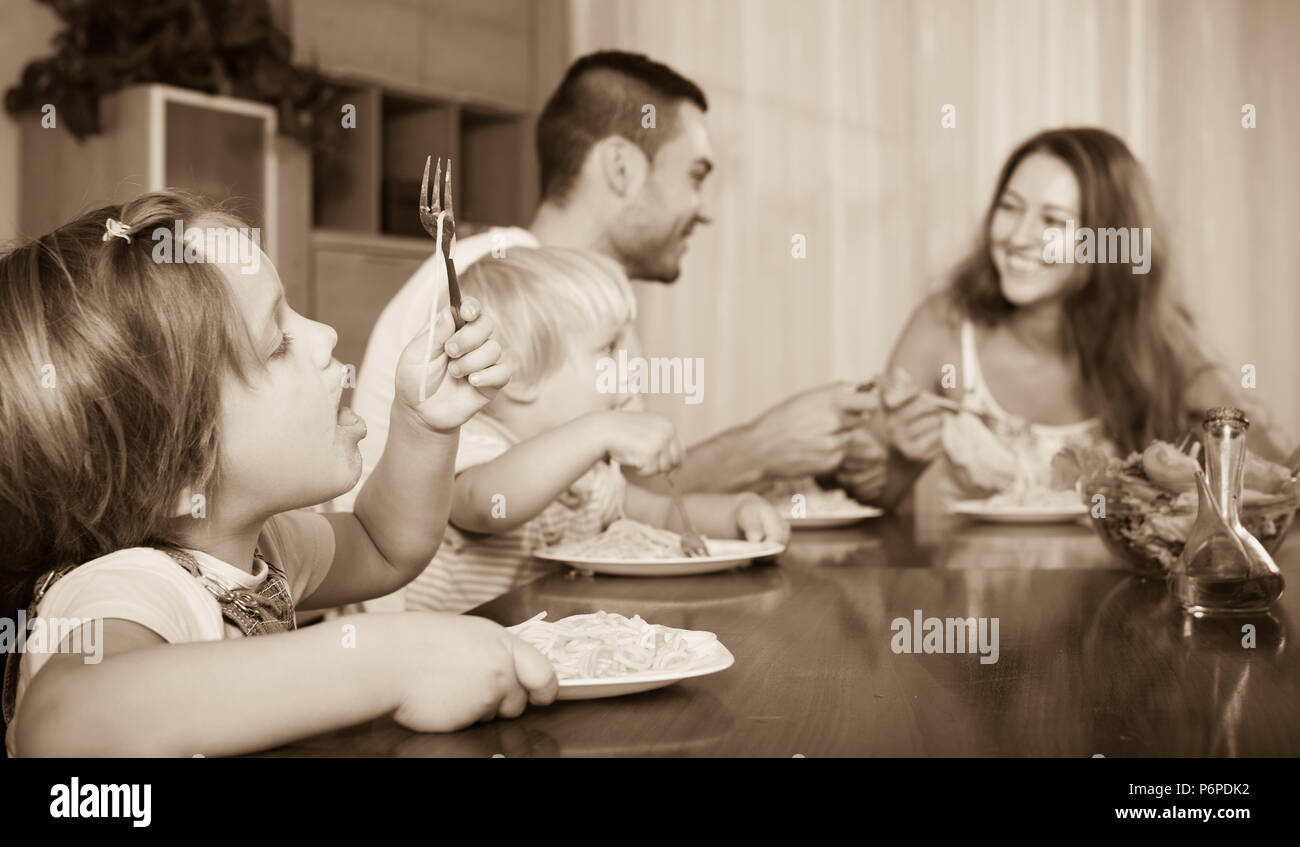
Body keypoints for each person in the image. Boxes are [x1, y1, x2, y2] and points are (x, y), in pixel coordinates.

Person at [0, 192, 556, 756]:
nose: (324, 337)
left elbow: (386, 545)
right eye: (278, 343)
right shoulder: (131, 586)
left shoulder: (263, 545)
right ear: (178, 465)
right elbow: (64, 721)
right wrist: (390, 660)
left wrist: (423, 426)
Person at [344, 49, 879, 514]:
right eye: (696, 176)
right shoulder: (489, 283)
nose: (706, 210)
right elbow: (490, 497)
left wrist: (784, 455)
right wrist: (761, 447)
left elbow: (612, 496)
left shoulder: (597, 315)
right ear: (621, 168)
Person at [836, 127, 1296, 508]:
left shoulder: (1158, 340)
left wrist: (1229, 417)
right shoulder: (947, 324)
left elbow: (1282, 482)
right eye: (1010, 208)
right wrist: (900, 457)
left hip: (1117, 601)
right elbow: (855, 496)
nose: (1018, 236)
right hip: (981, 601)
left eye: (1053, 222)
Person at [388, 247, 788, 613]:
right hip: (449, 671)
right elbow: (485, 504)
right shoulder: (470, 444)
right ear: (521, 377)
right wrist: (598, 430)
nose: (629, 365)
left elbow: (660, 513)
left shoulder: (591, 476)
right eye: (609, 349)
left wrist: (736, 514)